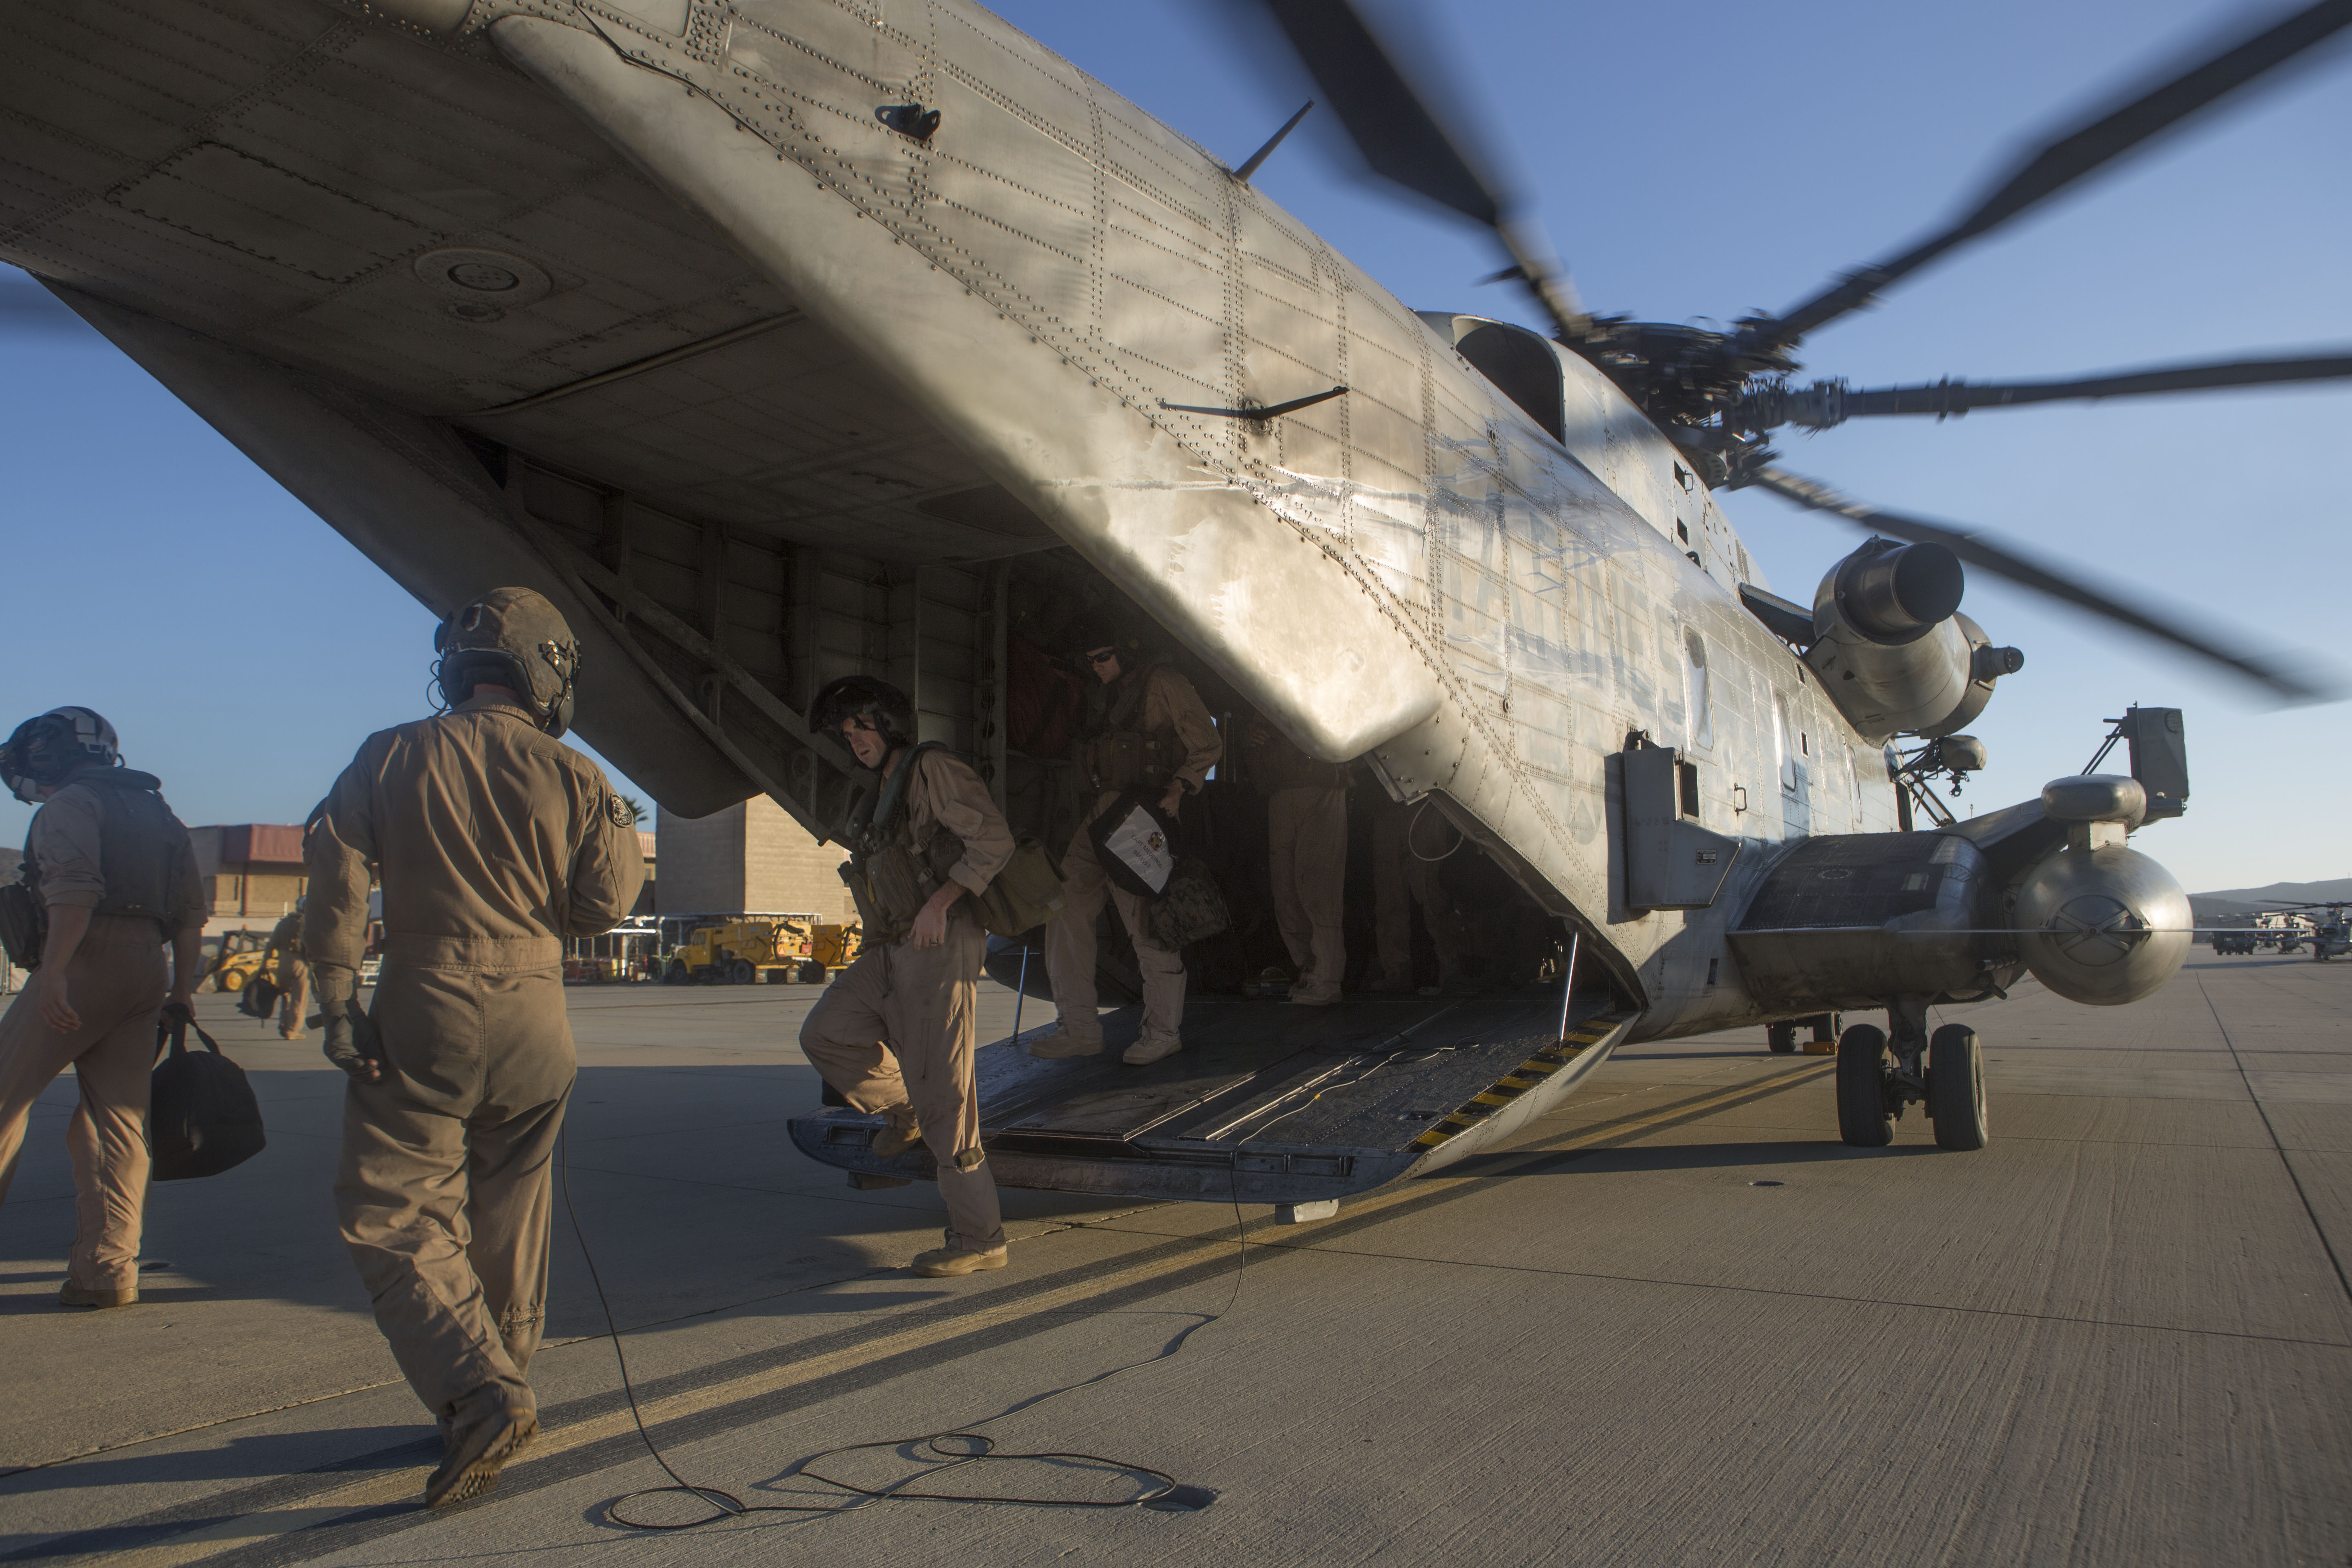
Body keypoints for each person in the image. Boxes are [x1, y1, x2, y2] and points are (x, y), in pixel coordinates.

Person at [305, 587, 643, 1508]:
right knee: (512, 1211)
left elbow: (335, 874)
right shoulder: (580, 776)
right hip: (538, 1010)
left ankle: (480, 1392)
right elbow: (607, 905)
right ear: (546, 671)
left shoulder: (390, 755)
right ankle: (503, 1380)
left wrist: (337, 995)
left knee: (391, 1205)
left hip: (426, 1000)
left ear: (455, 670)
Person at [798, 677, 1016, 1278]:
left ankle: (979, 1237)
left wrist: (943, 900)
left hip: (938, 943)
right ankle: (904, 1110)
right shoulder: (879, 794)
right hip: (891, 946)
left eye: (862, 726)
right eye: (847, 733)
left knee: (947, 1091)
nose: (854, 740)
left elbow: (994, 840)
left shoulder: (932, 770)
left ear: (890, 724)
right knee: (827, 1033)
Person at [0, 708, 204, 1310]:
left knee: (5, 1101)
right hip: (148, 969)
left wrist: (57, 971)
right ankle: (108, 1271)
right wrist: (182, 991)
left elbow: (74, 891)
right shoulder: (158, 811)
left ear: (48, 756)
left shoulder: (70, 806)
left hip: (82, 959)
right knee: (115, 1124)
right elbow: (192, 913)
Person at [1031, 617, 1222, 1066]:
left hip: (1142, 814)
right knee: (1064, 904)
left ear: (1127, 651)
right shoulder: (1104, 696)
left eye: (1103, 657)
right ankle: (1078, 1027)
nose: (1095, 666)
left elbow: (1208, 744)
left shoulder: (1164, 683)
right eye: (1090, 660)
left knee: (1145, 924)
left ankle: (1163, 1031)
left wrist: (1180, 788)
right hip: (1103, 813)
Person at [1242, 719, 1351, 1006]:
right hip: (1279, 791)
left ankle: (1327, 979)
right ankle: (1309, 970)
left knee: (1318, 887)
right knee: (1286, 892)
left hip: (1321, 786)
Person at [1370, 795, 1470, 995]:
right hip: (1385, 805)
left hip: (1424, 802)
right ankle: (1396, 971)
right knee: (1389, 897)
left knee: (1433, 891)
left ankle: (1452, 968)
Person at [259, 898, 309, 1040]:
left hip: (283, 962)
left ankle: (283, 1025)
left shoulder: (284, 922)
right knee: (299, 999)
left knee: (286, 995)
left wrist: (264, 964)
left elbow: (271, 944)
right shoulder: (309, 923)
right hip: (300, 962)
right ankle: (292, 1030)